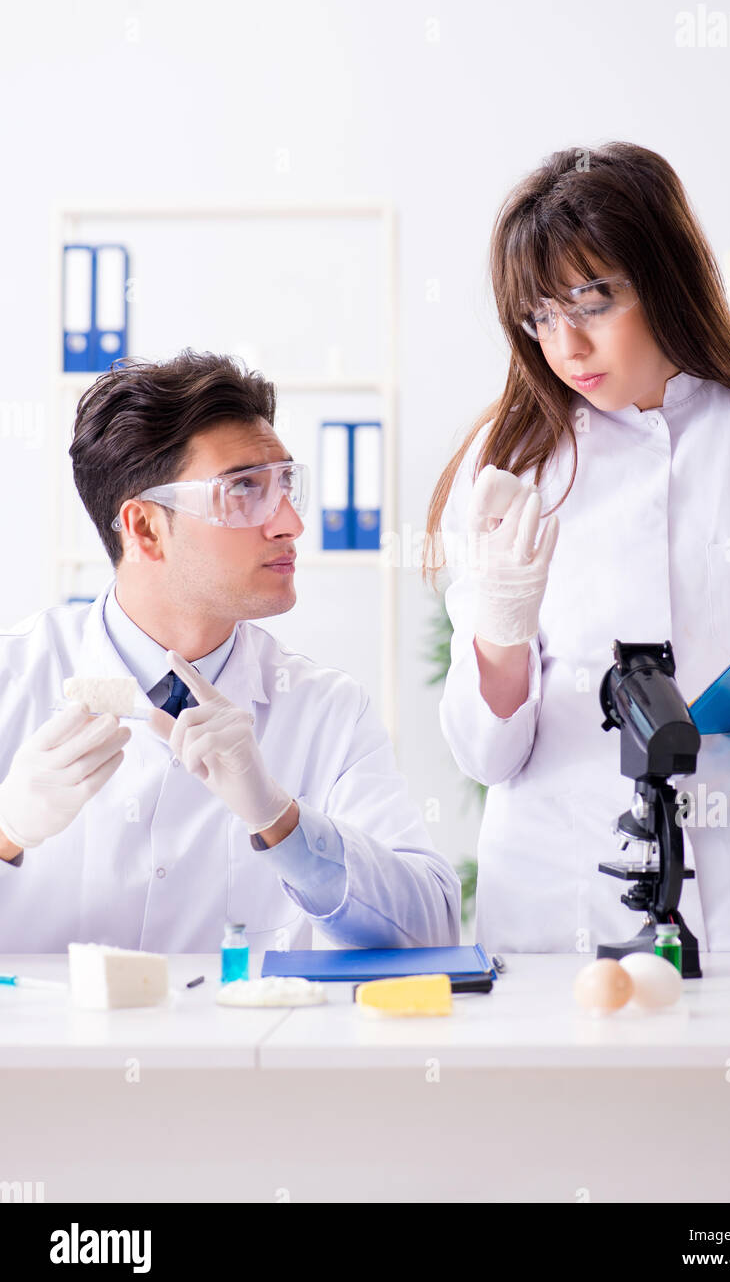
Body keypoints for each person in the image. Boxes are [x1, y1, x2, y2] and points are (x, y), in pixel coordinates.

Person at [425, 141, 730, 955]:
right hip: (556, 893)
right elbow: (484, 754)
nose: (565, 348)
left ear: (665, 276)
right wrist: (500, 625)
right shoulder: (507, 466)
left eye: (590, 303)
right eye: (539, 317)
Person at [0, 350, 460, 952]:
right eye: (244, 489)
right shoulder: (12, 678)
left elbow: (432, 930)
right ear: (143, 529)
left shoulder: (327, 711)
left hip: (242, 1049)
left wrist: (281, 821)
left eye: (285, 485)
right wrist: (6, 835)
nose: (291, 522)